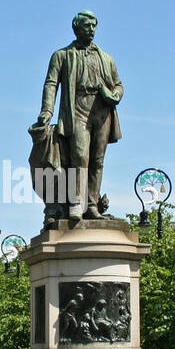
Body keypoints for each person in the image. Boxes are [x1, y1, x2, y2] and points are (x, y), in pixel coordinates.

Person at [32, 11, 122, 220]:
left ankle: (91, 205)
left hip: (101, 110)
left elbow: (118, 84)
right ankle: (75, 203)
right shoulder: (62, 55)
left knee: (97, 161)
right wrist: (47, 111)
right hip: (77, 108)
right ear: (76, 28)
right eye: (86, 26)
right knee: (80, 156)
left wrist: (114, 94)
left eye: (93, 26)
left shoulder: (106, 58)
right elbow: (51, 83)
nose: (91, 30)